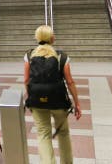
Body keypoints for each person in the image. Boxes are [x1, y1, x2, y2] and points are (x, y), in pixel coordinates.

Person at [24, 25, 81, 164]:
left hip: (37, 101)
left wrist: (31, 97)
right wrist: (77, 103)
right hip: (58, 100)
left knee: (43, 133)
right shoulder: (61, 56)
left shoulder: (29, 55)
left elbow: (26, 80)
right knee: (63, 133)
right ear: (51, 38)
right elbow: (70, 81)